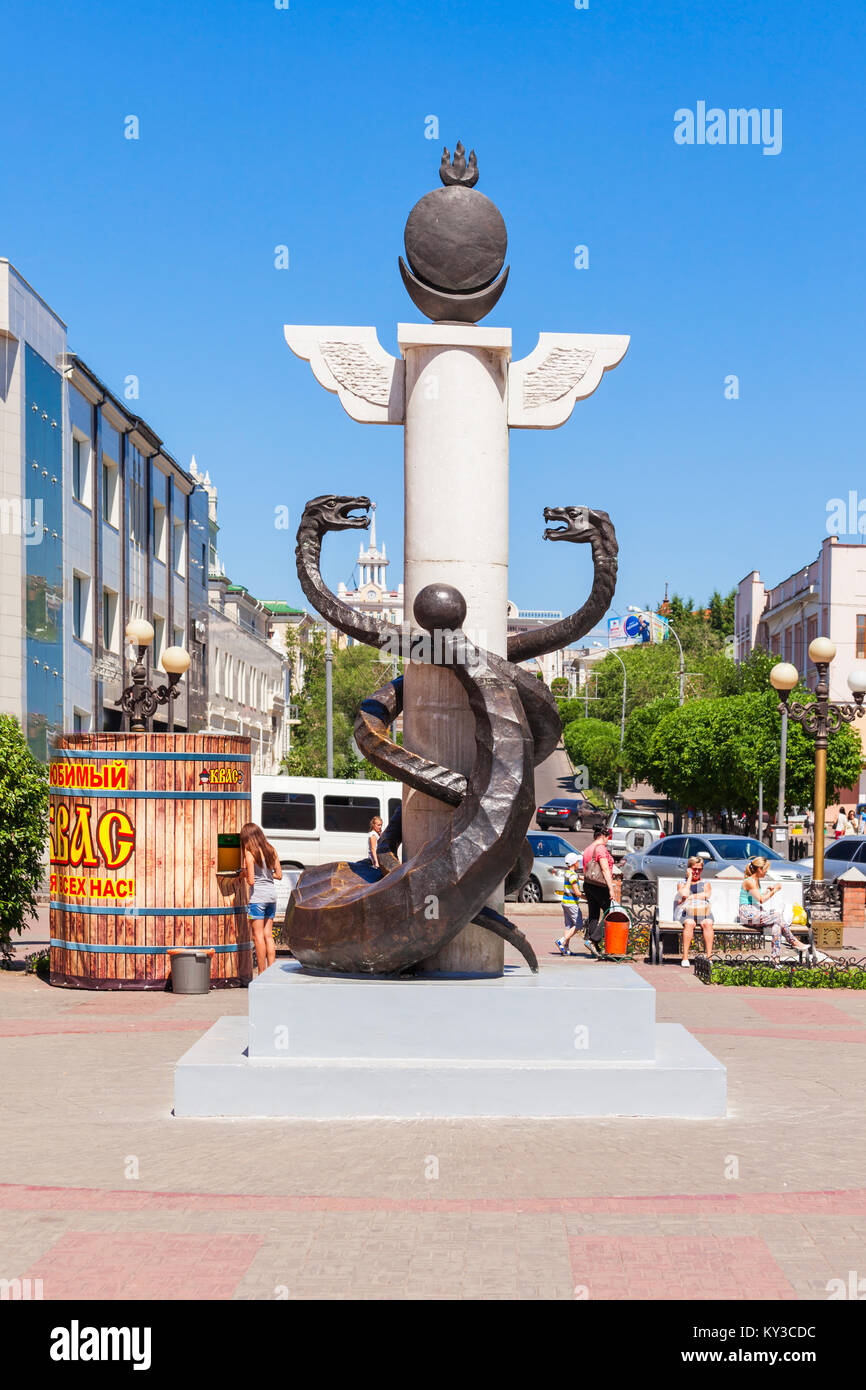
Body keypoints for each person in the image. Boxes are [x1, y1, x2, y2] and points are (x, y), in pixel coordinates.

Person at [239, 822, 282, 975]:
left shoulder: (250, 853)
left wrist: (243, 873)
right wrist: (266, 875)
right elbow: (279, 875)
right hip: (272, 896)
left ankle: (262, 973)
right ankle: (271, 971)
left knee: (257, 936)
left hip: (258, 898)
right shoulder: (271, 849)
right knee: (268, 935)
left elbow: (251, 881)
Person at [738, 855, 802, 960]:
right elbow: (761, 900)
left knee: (777, 924)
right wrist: (775, 890)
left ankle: (775, 958)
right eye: (765, 870)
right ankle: (793, 941)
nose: (766, 872)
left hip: (755, 913)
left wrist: (768, 890)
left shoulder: (756, 880)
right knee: (777, 915)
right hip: (747, 914)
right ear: (759, 869)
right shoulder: (749, 881)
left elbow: (756, 897)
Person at [580, 827, 616, 958]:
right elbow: (605, 869)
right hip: (600, 885)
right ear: (603, 836)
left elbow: (585, 868)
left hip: (588, 884)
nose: (608, 840)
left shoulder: (588, 848)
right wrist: (611, 888)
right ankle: (593, 940)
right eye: (608, 837)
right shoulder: (600, 848)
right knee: (609, 913)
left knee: (593, 915)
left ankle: (593, 946)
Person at [674, 855, 714, 968]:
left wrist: (691, 897)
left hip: (703, 911)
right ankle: (685, 957)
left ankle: (709, 957)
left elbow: (706, 894)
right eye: (694, 869)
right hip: (687, 912)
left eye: (699, 869)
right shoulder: (682, 883)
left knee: (708, 923)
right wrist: (690, 877)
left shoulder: (706, 883)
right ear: (689, 869)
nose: (697, 871)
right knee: (689, 923)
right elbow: (684, 894)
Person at [555, 852, 584, 955]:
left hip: (565, 902)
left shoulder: (568, 873)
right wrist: (586, 897)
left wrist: (582, 878)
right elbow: (576, 892)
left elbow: (576, 876)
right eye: (578, 861)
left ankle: (565, 949)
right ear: (574, 863)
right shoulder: (573, 876)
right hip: (572, 903)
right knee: (579, 924)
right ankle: (561, 941)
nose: (579, 863)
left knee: (569, 925)